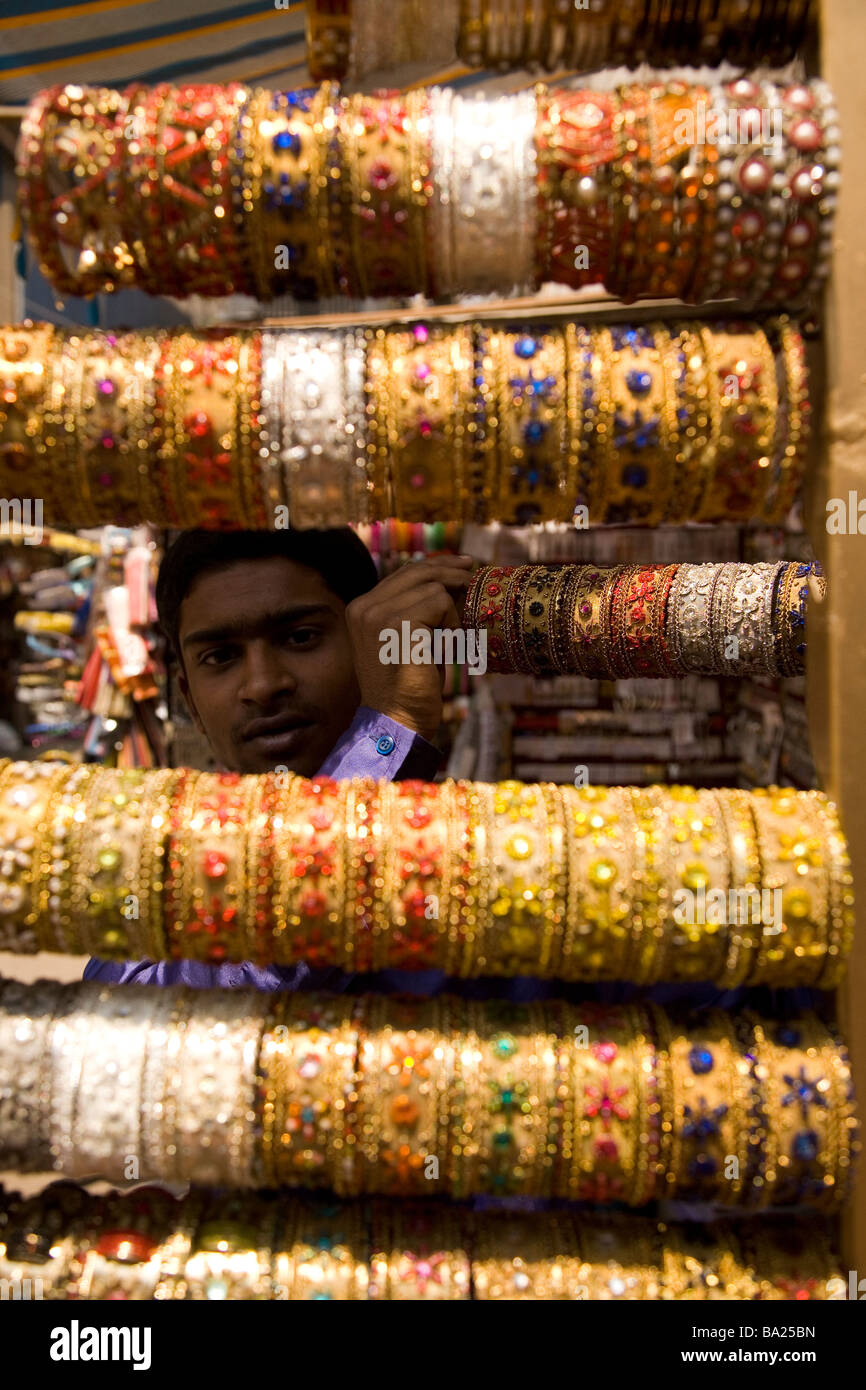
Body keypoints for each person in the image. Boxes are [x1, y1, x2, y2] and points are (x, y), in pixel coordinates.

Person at [84, 527, 475, 992]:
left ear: (370, 647)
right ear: (189, 699)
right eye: (221, 656)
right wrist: (385, 738)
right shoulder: (158, 876)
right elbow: (140, 1025)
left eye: (300, 637)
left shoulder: (480, 851)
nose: (263, 685)